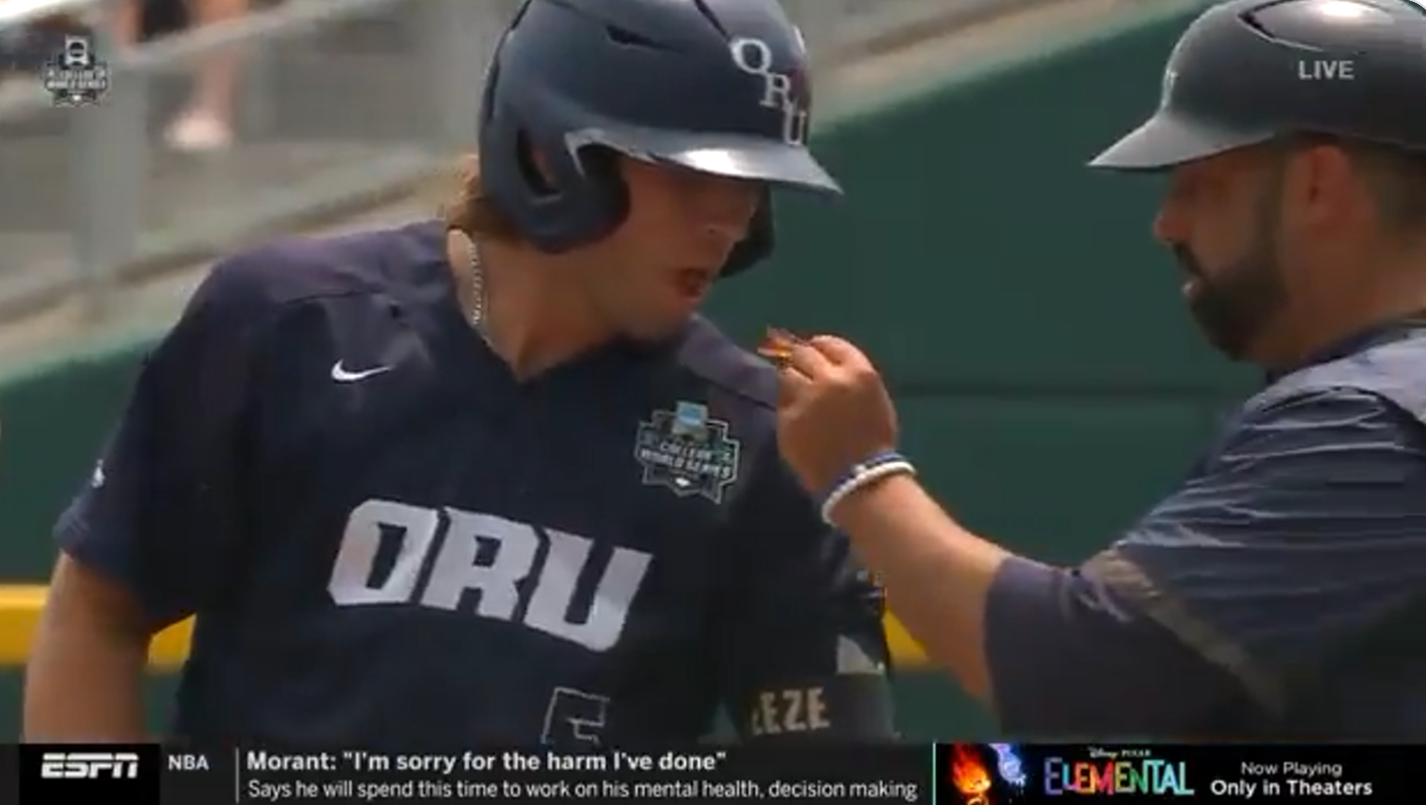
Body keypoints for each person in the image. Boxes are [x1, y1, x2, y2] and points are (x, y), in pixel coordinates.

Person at [24, 0, 895, 747]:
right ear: (555, 153)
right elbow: (98, 610)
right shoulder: (285, 323)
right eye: (692, 174)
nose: (729, 220)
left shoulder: (759, 440)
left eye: (751, 185)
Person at [768, 0, 1426, 740]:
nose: (1167, 222)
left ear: (1318, 187)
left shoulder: (1366, 421)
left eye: (1202, 183)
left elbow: (1078, 668)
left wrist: (859, 472)